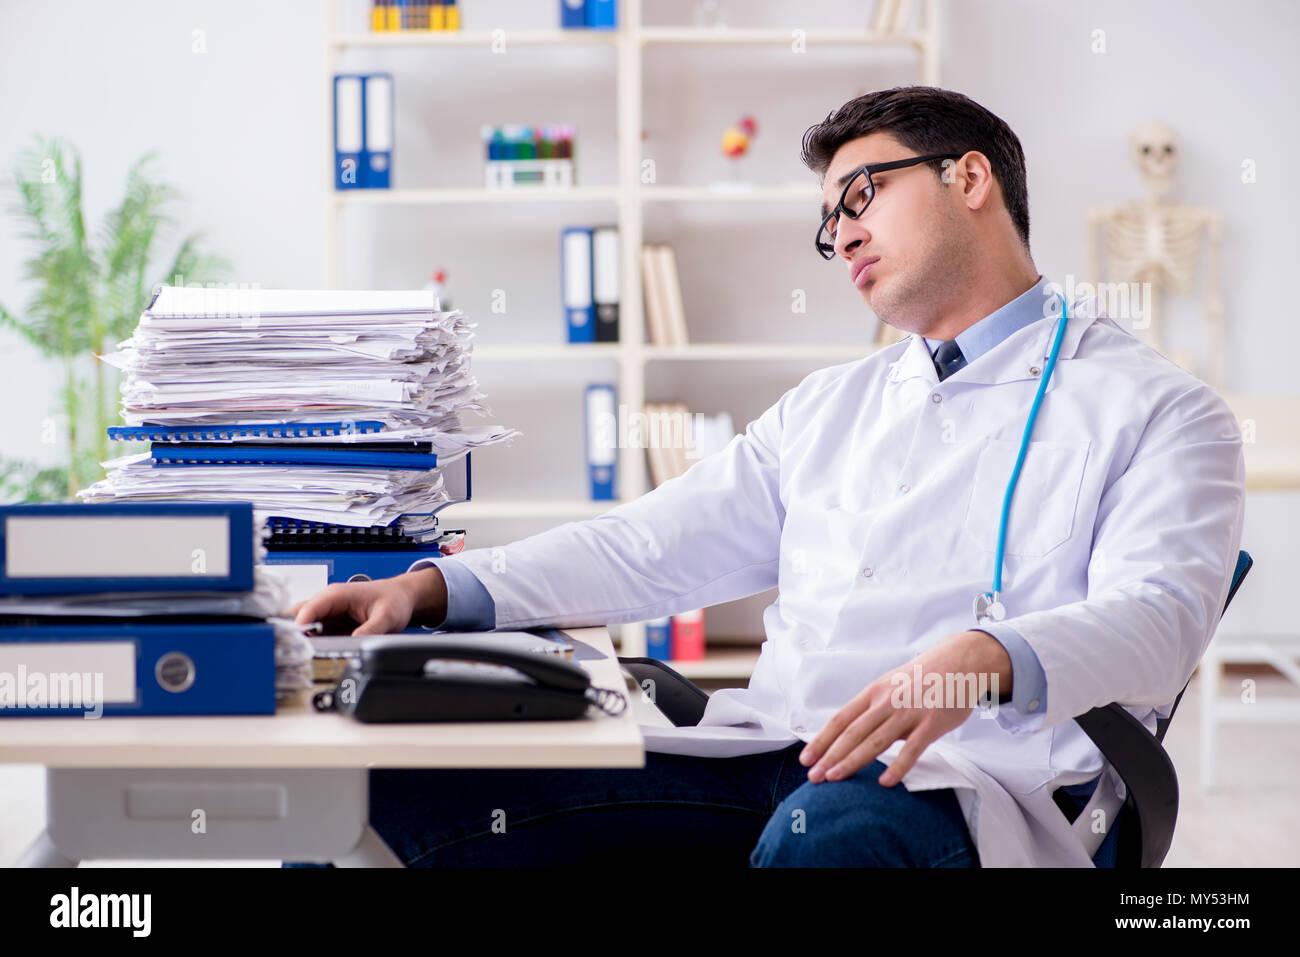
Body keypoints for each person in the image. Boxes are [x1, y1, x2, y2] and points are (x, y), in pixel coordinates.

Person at [291, 86, 1245, 868]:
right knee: (369, 786)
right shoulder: (828, 405)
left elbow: (1158, 616)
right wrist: (432, 588)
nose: (842, 235)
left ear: (969, 178)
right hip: (771, 753)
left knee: (834, 833)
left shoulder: (1157, 407)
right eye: (829, 223)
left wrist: (984, 659)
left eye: (861, 194)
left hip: (971, 780)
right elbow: (647, 546)